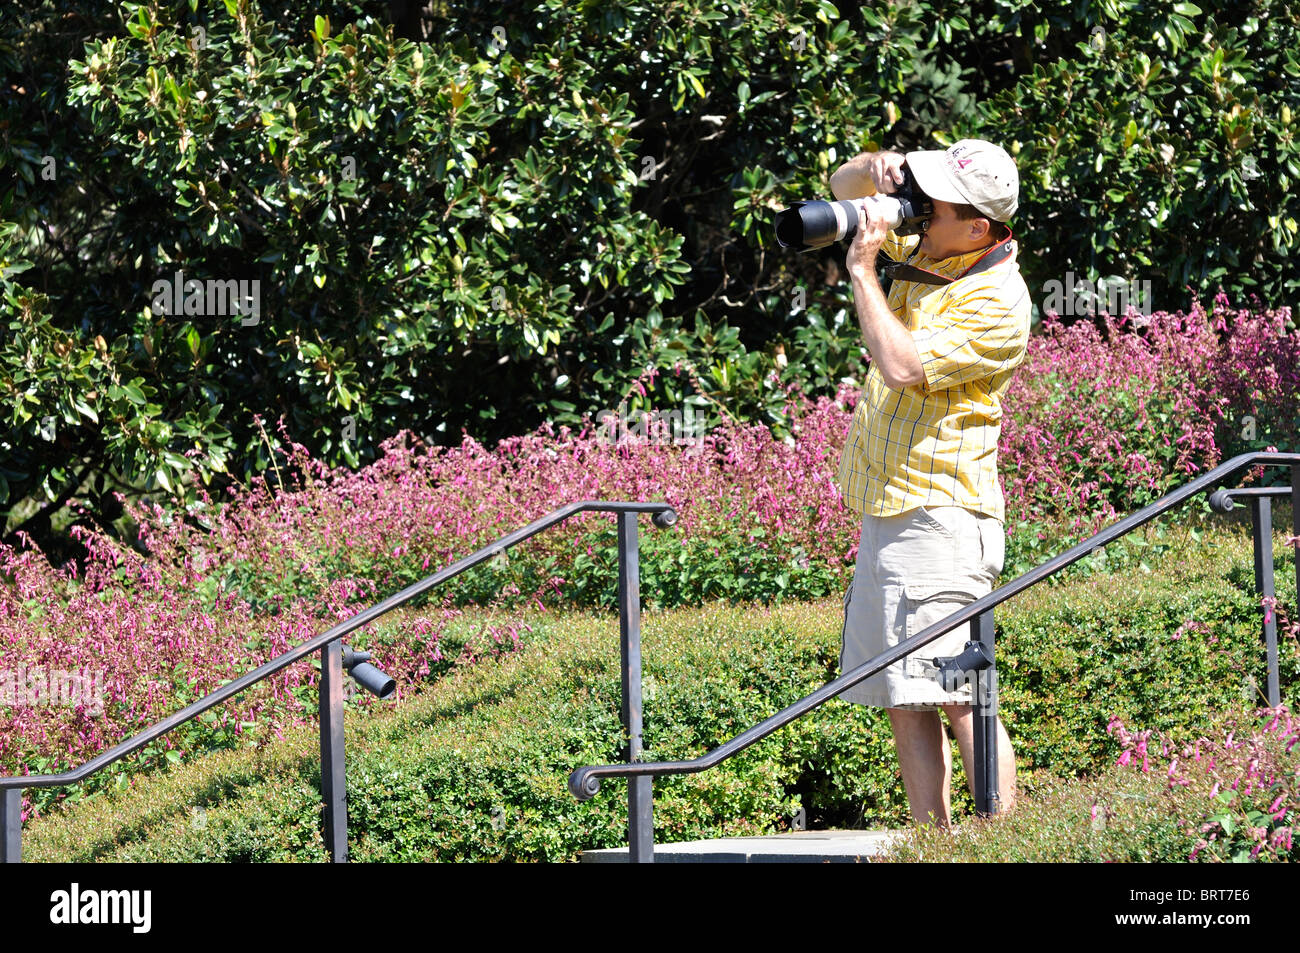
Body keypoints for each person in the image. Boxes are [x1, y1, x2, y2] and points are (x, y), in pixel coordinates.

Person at [829, 139, 1030, 829]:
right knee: (905, 693)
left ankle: (1000, 843)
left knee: (958, 692)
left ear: (978, 226)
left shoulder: (998, 301)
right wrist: (881, 168)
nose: (916, 210)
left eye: (931, 201)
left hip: (941, 515)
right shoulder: (938, 245)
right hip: (894, 508)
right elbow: (839, 180)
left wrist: (861, 271)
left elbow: (904, 364)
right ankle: (933, 843)